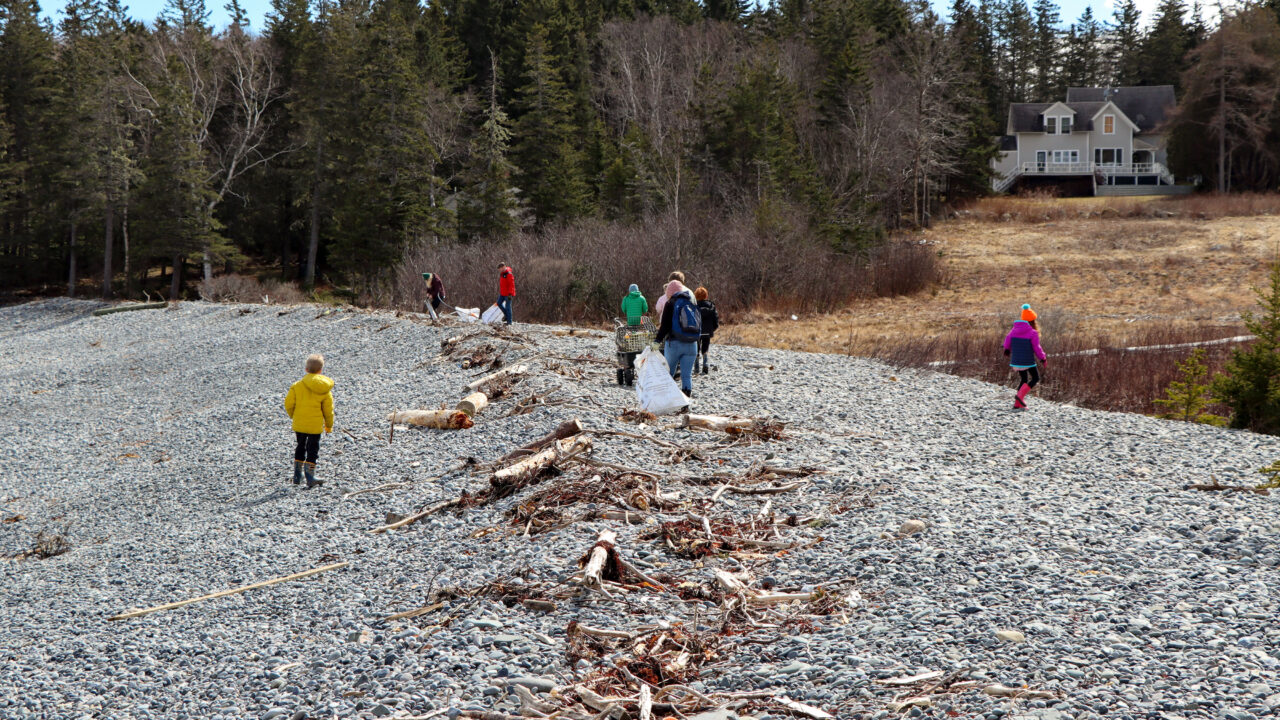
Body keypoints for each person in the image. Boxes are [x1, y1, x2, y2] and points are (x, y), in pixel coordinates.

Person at [284, 353, 334, 489]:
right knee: (313, 449)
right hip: (315, 426)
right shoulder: (324, 389)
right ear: (320, 370)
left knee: (300, 446)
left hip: (299, 424)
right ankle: (310, 476)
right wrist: (328, 425)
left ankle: (297, 475)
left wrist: (294, 416)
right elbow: (328, 410)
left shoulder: (296, 386)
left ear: (306, 369)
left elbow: (288, 404)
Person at [655, 280, 700, 398]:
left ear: (669, 292)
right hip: (692, 344)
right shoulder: (692, 302)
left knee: (668, 374)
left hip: (674, 344)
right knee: (686, 375)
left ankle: (669, 400)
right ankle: (686, 402)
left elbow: (664, 326)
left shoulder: (670, 303)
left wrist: (657, 341)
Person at [1002, 304, 1047, 410]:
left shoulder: (1014, 330)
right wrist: (1043, 358)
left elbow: (1007, 339)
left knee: (1024, 379)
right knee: (1035, 378)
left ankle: (1017, 404)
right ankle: (1020, 397)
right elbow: (1037, 347)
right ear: (1033, 321)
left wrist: (1007, 349)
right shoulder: (1033, 332)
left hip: (1016, 360)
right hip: (1027, 360)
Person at [693, 286, 719, 375]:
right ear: (706, 296)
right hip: (707, 331)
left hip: (696, 331)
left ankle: (696, 368)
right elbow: (715, 320)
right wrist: (712, 329)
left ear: (695, 296)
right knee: (705, 348)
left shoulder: (693, 306)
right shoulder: (711, 306)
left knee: (696, 348)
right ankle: (705, 364)